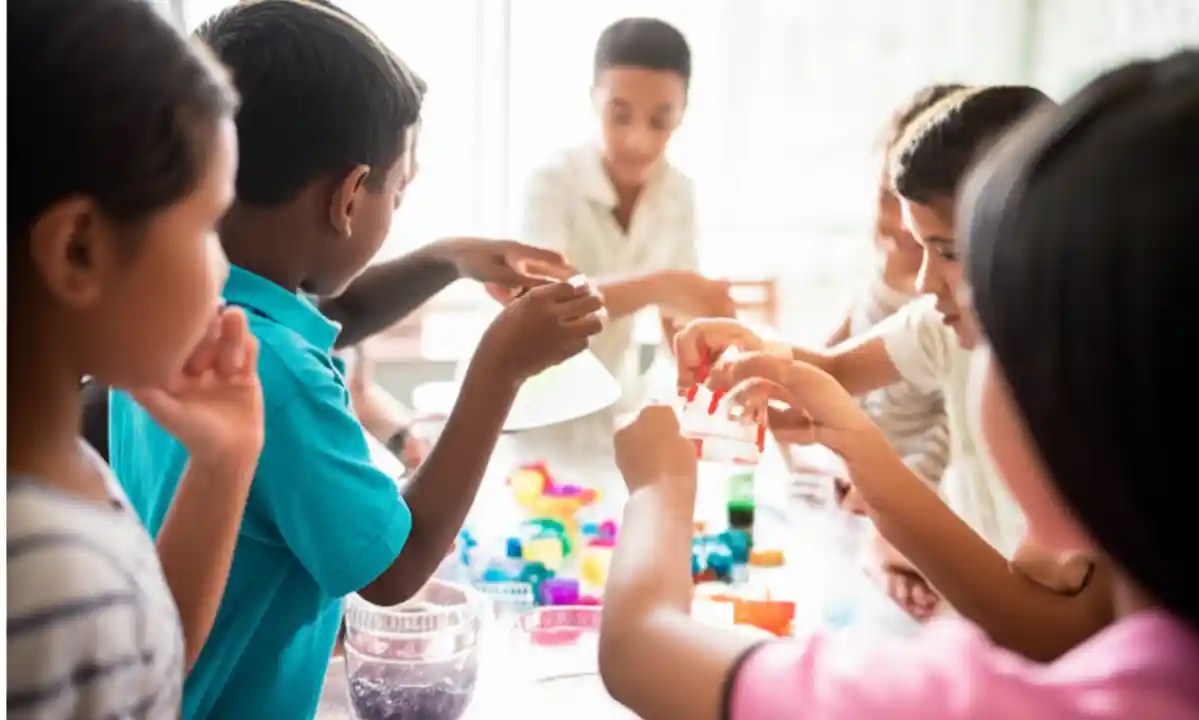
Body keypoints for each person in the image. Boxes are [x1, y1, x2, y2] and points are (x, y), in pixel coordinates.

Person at [601, 48, 1199, 719]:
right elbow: (832, 368)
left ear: (1082, 395)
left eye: (1000, 331)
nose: (929, 288)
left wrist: (660, 489)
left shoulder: (970, 702)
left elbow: (640, 652)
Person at [107, 3, 604, 718]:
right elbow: (396, 569)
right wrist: (500, 369)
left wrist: (450, 258)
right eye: (397, 191)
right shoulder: (276, 375)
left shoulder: (175, 309)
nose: (397, 207)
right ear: (348, 198)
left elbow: (334, 313)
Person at [9, 0, 264, 715]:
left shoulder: (58, 471)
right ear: (78, 250)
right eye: (209, 225)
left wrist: (223, 464)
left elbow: (140, 663)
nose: (223, 267)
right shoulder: (40, 577)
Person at [515, 17, 735, 456]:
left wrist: (712, 349)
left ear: (684, 111)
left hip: (614, 410)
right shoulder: (552, 182)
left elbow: (679, 320)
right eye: (620, 116)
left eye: (661, 119)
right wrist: (664, 286)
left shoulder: (679, 193)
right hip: (532, 409)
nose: (639, 140)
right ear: (593, 98)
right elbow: (546, 307)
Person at [812, 83, 964, 621]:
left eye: (914, 208)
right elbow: (834, 357)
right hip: (864, 489)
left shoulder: (946, 302)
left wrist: (890, 499)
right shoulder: (875, 268)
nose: (899, 223)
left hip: (914, 498)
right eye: (886, 198)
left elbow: (950, 434)